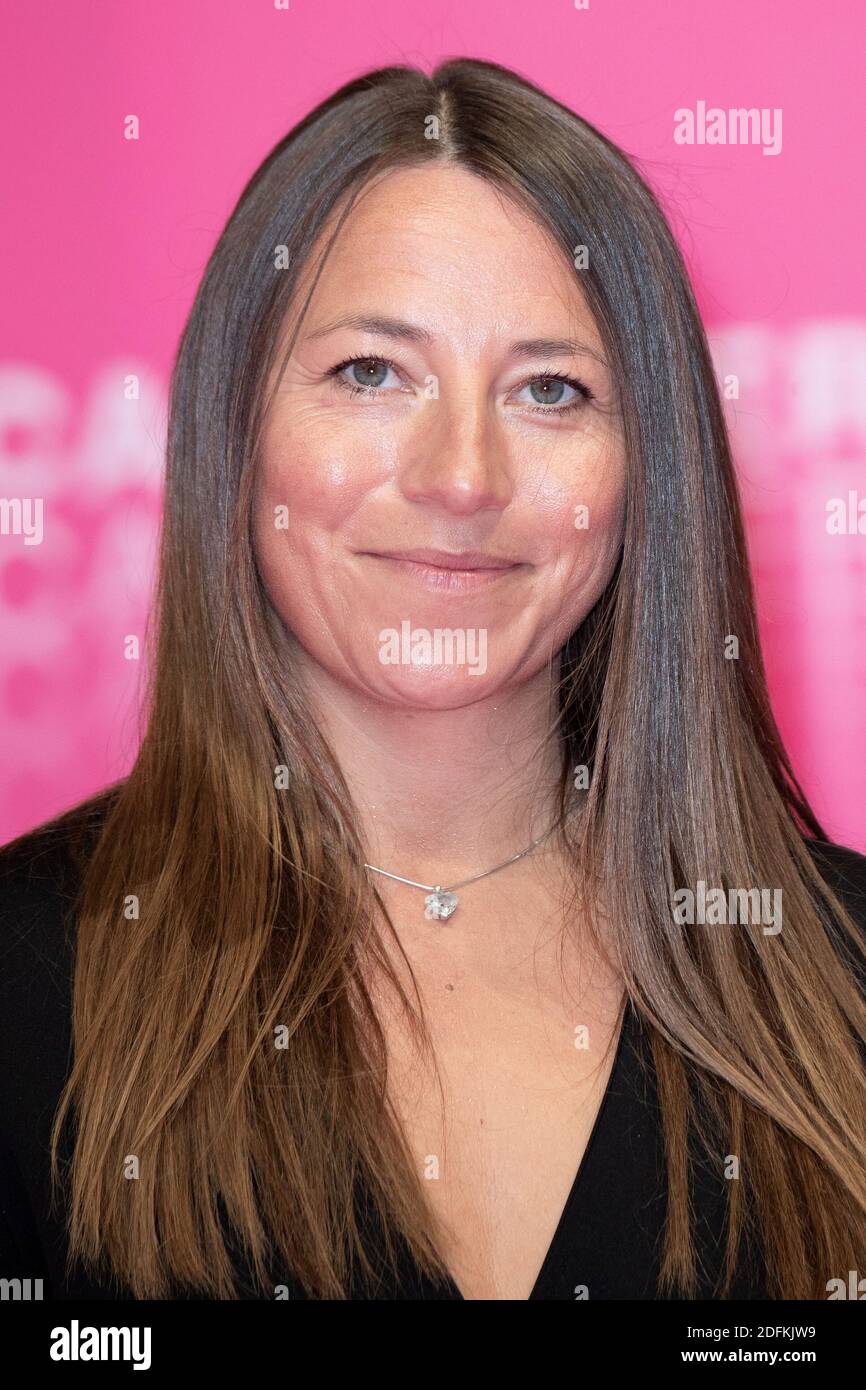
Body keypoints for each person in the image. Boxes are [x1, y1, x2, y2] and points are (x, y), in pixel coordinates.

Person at [2, 57, 866, 1303]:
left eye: (549, 390)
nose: (461, 476)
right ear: (233, 430)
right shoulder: (25, 976)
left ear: (647, 471)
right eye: (371, 372)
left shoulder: (838, 975)